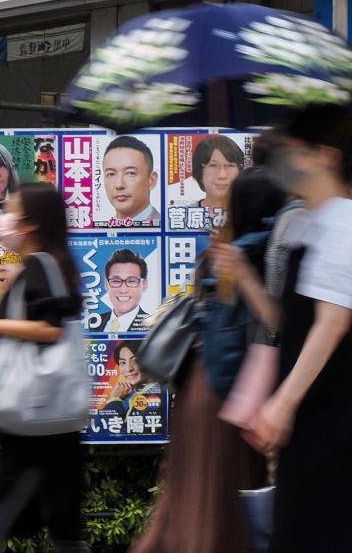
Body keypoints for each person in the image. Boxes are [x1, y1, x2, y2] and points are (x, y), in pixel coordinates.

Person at [131, 163, 287, 553]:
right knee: (222, 502)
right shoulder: (259, 251)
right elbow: (274, 324)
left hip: (200, 386)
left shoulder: (221, 248)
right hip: (233, 391)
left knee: (193, 495)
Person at [228, 106, 352, 552]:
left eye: (295, 149)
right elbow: (292, 322)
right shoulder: (306, 222)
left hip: (331, 415)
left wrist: (283, 402)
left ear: (327, 157)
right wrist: (244, 276)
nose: (284, 158)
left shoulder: (344, 222)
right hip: (310, 417)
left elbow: (332, 323)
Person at [0, 181, 88, 553]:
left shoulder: (41, 265)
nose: (2, 219)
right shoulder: (40, 267)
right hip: (42, 420)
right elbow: (13, 356)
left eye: (11, 211)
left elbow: (49, 330)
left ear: (31, 223)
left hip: (34, 426)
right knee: (64, 531)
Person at [90, 249, 151, 333]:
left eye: (131, 281)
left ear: (144, 285)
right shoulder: (93, 322)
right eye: (116, 281)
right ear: (106, 284)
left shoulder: (153, 326)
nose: (123, 290)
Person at [102, 136, 160, 224]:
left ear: (151, 180)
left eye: (130, 173)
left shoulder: (168, 228)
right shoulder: (100, 232)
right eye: (111, 174)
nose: (119, 185)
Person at [190, 135, 244, 224]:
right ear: (199, 172)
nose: (222, 175)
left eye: (230, 165)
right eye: (213, 165)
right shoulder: (183, 216)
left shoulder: (249, 215)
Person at [100, 340, 160, 420]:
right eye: (123, 362)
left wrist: (114, 400)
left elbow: (110, 430)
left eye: (135, 360)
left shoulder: (156, 396)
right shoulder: (130, 395)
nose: (129, 368)